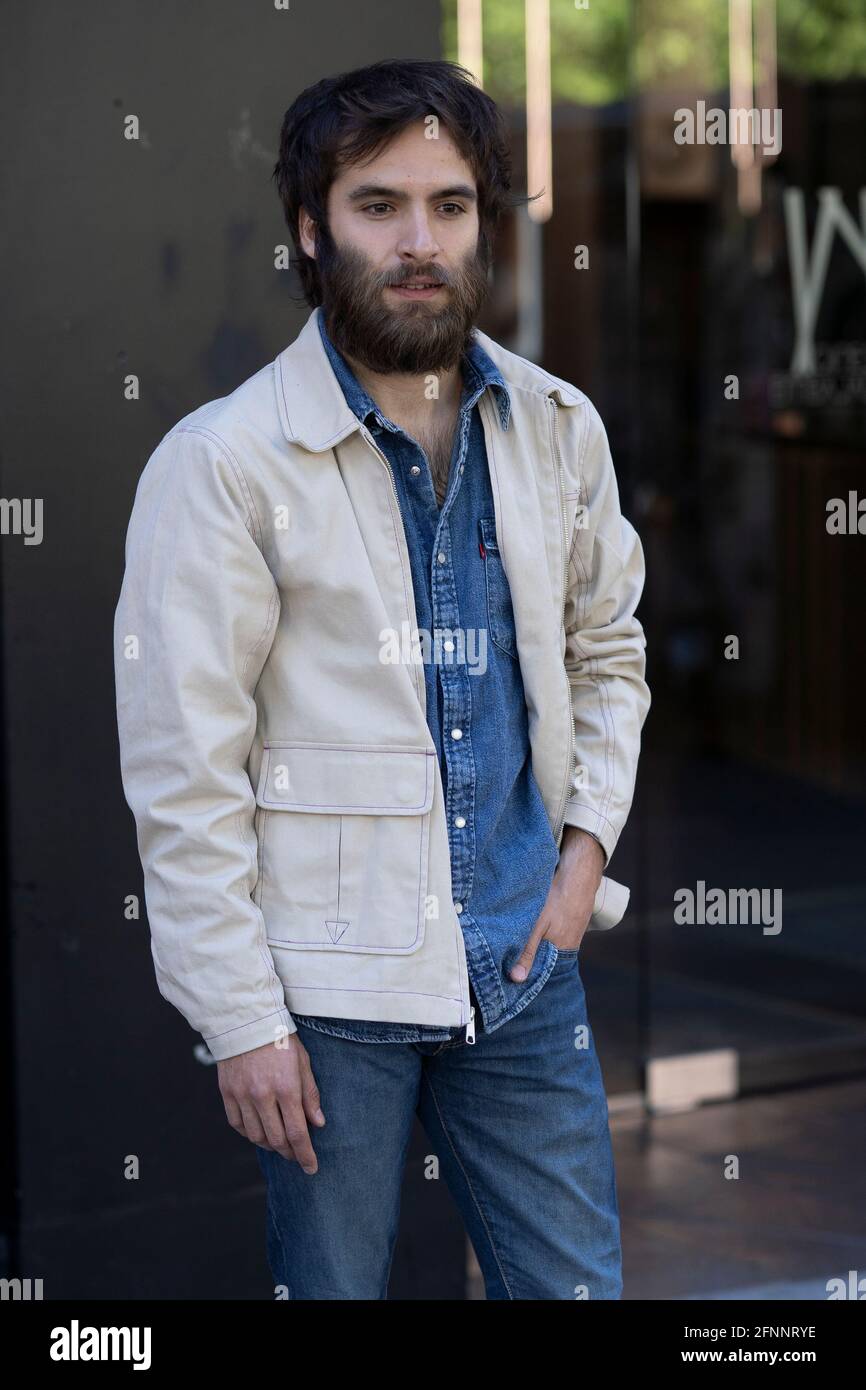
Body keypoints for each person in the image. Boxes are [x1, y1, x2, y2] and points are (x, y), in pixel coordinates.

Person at [113, 57, 650, 1300]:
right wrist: (237, 1015)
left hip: (525, 967)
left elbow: (605, 647)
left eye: (451, 206)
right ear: (311, 229)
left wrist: (582, 854)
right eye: (378, 205)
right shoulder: (223, 464)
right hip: (326, 1002)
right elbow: (183, 770)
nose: (420, 241)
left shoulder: (557, 423)